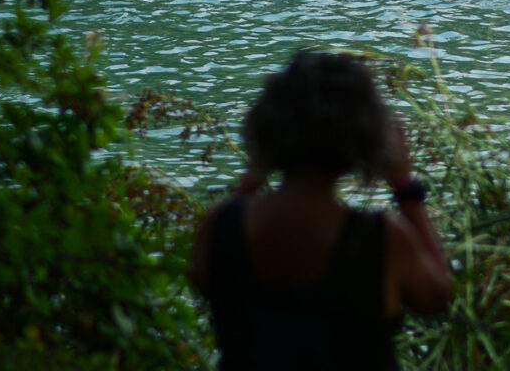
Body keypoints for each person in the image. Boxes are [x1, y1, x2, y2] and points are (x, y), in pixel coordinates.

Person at [189, 51, 451, 371]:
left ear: (266, 127)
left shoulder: (223, 225)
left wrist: (251, 178)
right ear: (366, 138)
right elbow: (436, 297)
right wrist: (405, 187)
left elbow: (202, 279)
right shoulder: (380, 239)